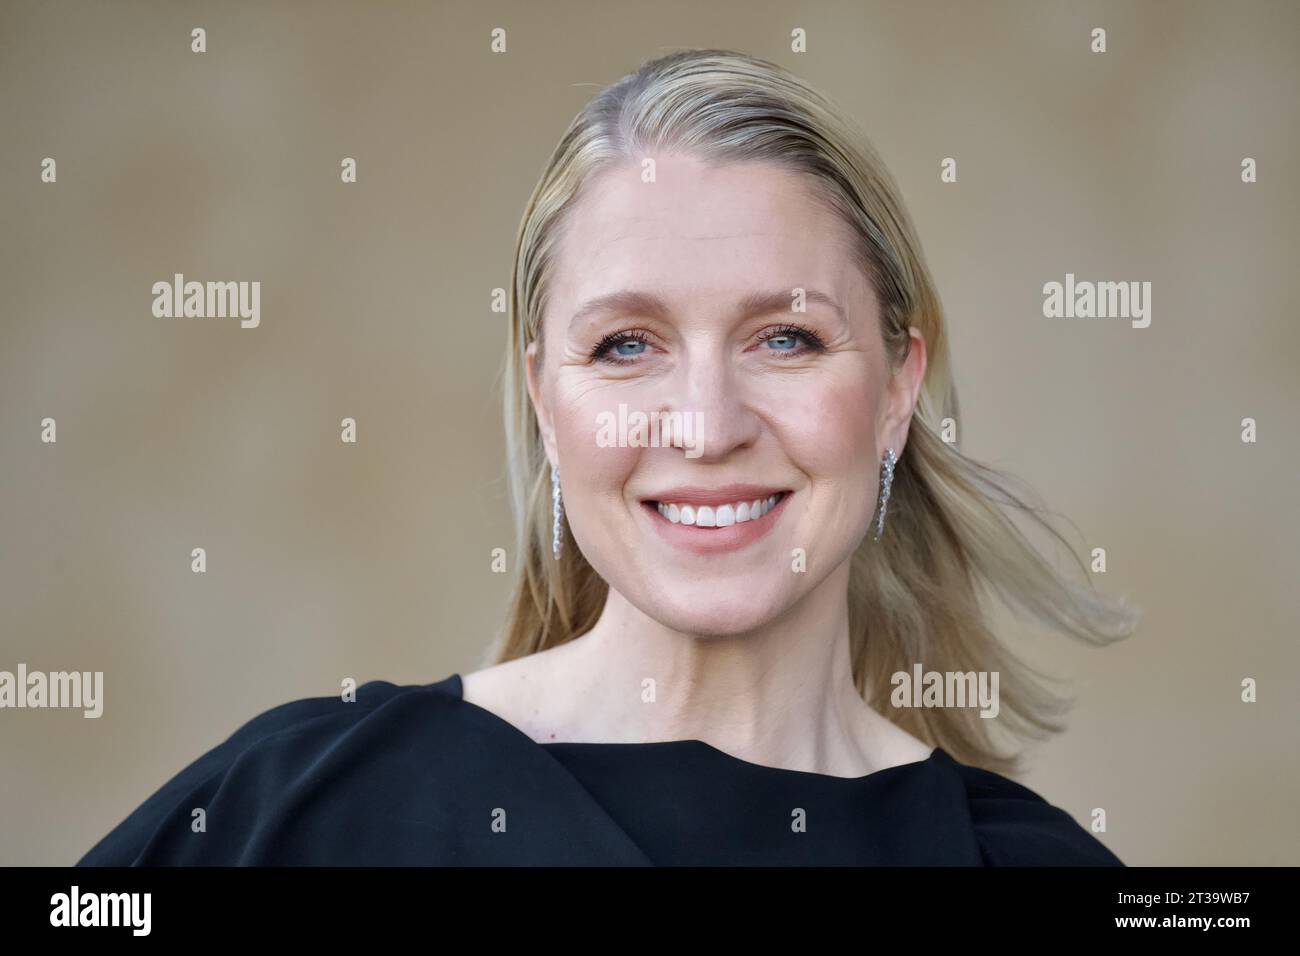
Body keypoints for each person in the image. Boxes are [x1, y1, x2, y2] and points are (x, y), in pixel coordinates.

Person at [79, 48, 1138, 867]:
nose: (702, 425)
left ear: (898, 390)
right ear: (545, 396)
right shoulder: (303, 807)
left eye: (786, 337)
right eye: (626, 344)